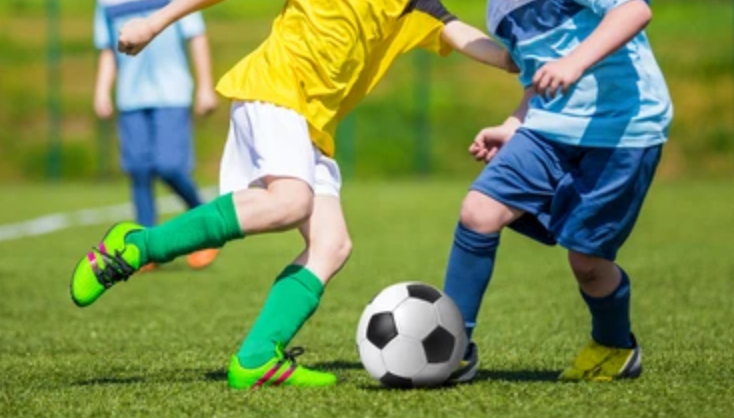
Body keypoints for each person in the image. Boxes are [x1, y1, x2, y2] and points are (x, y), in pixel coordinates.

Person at [71, 0, 518, 389]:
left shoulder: (413, 5)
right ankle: (135, 247)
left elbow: (460, 34)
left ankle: (257, 358)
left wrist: (513, 59)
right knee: (290, 202)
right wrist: (155, 22)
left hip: (310, 126)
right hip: (275, 90)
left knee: (332, 245)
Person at [443, 0, 673, 383]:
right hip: (549, 129)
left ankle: (614, 346)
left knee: (587, 263)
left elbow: (634, 10)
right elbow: (538, 79)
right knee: (478, 212)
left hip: (623, 131)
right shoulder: (498, 11)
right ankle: (451, 348)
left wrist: (575, 61)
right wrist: (513, 125)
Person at [93, 0, 220, 271]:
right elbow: (108, 49)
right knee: (139, 170)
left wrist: (205, 86)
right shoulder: (105, 2)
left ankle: (207, 228)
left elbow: (196, 36)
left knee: (169, 166)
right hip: (131, 99)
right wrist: (102, 89)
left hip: (171, 94)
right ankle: (146, 249)